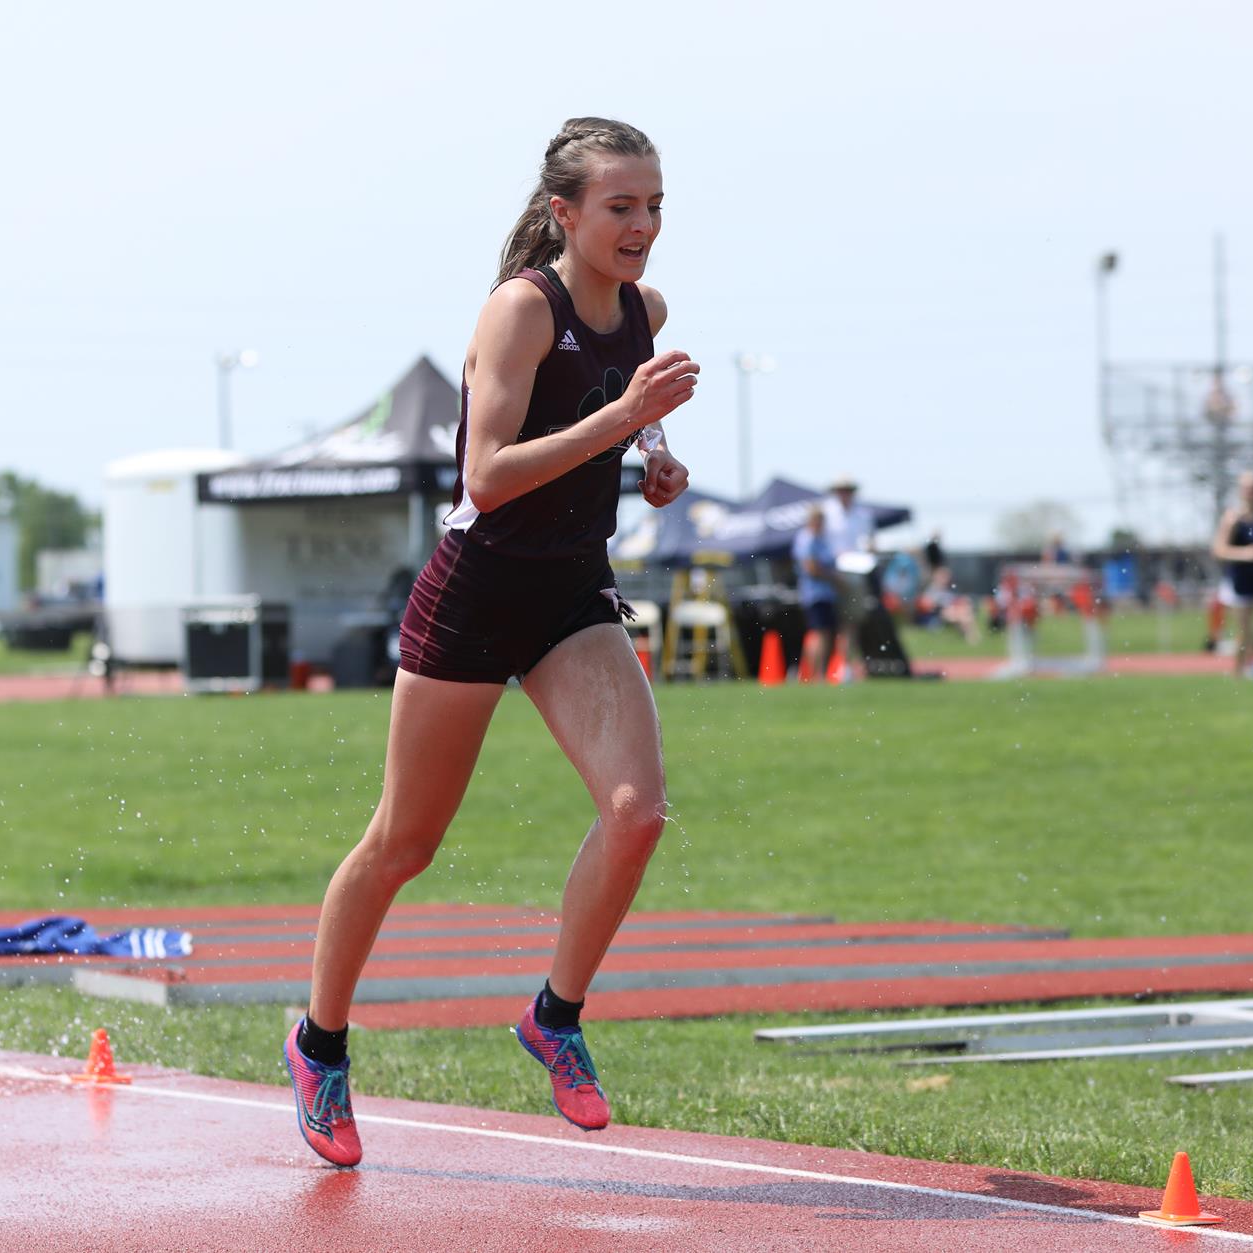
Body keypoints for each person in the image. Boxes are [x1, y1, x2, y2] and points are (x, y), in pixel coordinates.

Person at [284, 117, 697, 1169]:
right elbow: (488, 475)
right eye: (620, 206)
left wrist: (653, 454)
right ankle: (318, 1040)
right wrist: (622, 424)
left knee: (637, 811)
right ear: (565, 212)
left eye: (652, 204)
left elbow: (624, 412)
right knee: (403, 843)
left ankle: (553, 1015)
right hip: (475, 593)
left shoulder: (641, 311)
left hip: (568, 591)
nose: (641, 225)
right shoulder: (519, 309)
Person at [1210, 472, 1253, 679]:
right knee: (1244, 631)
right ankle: (1238, 673)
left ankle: (1251, 659)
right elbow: (1219, 550)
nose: (1251, 492)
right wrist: (1246, 554)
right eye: (1247, 488)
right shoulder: (1232, 518)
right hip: (1240, 579)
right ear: (1241, 491)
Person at [820, 478, 873, 679]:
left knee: (850, 622)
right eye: (841, 490)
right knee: (825, 625)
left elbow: (867, 543)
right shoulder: (826, 513)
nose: (845, 494)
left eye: (848, 490)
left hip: (854, 573)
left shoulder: (862, 515)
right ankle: (824, 671)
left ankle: (844, 666)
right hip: (829, 574)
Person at [792, 506, 839, 682]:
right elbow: (810, 567)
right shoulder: (807, 539)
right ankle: (813, 674)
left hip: (825, 594)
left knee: (824, 634)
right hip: (815, 594)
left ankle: (818, 673)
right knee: (818, 634)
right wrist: (834, 578)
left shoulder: (819, 539)